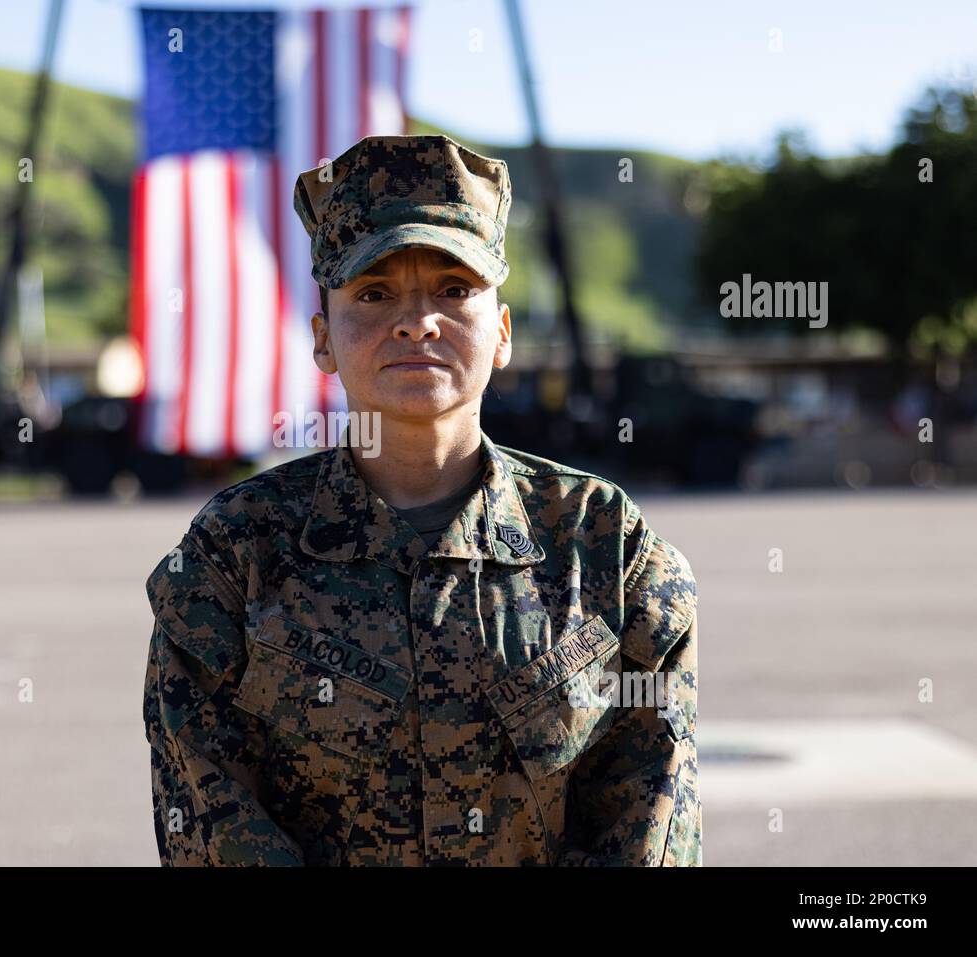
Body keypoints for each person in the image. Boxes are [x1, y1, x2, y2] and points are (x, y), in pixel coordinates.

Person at [142, 134, 700, 866]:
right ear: (323, 339)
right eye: (374, 293)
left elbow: (648, 814)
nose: (418, 321)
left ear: (501, 333)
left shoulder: (605, 544)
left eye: (454, 289)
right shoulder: (236, 551)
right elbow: (209, 817)